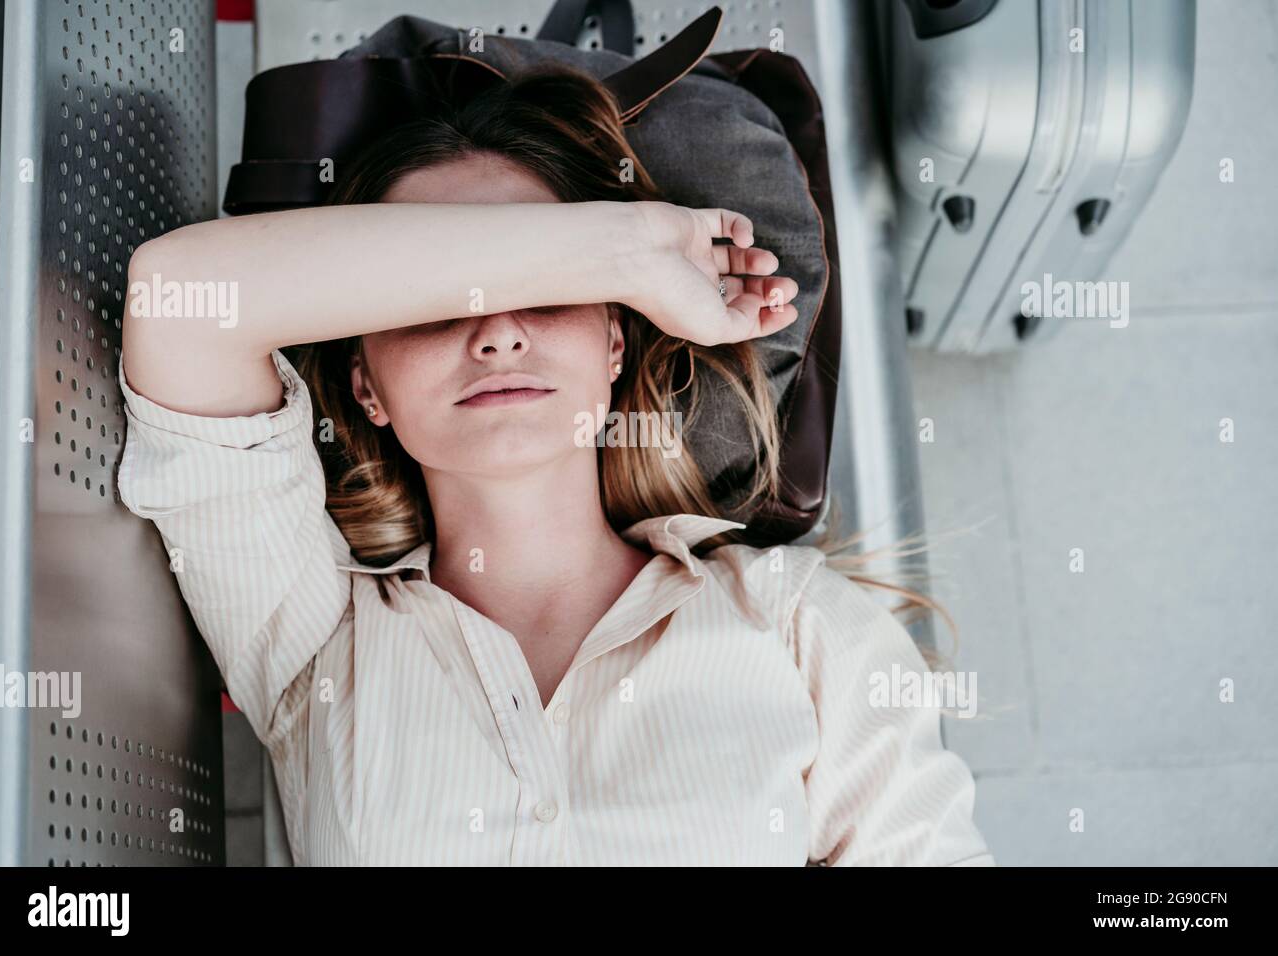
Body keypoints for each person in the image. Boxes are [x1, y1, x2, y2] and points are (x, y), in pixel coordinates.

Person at [117, 65, 994, 866]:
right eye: (429, 301)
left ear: (616, 339)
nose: (496, 331)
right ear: (366, 386)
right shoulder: (311, 640)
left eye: (544, 289)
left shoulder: (803, 630)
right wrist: (613, 250)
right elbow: (182, 306)